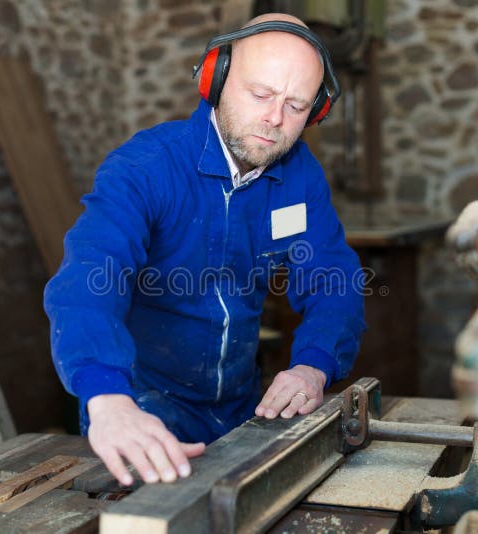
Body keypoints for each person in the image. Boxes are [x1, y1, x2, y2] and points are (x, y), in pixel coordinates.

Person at [44, 12, 366, 487]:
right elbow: (89, 278)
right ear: (215, 78)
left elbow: (332, 279)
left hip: (241, 410)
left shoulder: (300, 176)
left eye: (296, 105)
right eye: (261, 94)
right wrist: (106, 396)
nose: (275, 119)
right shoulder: (146, 167)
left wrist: (313, 366)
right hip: (141, 410)